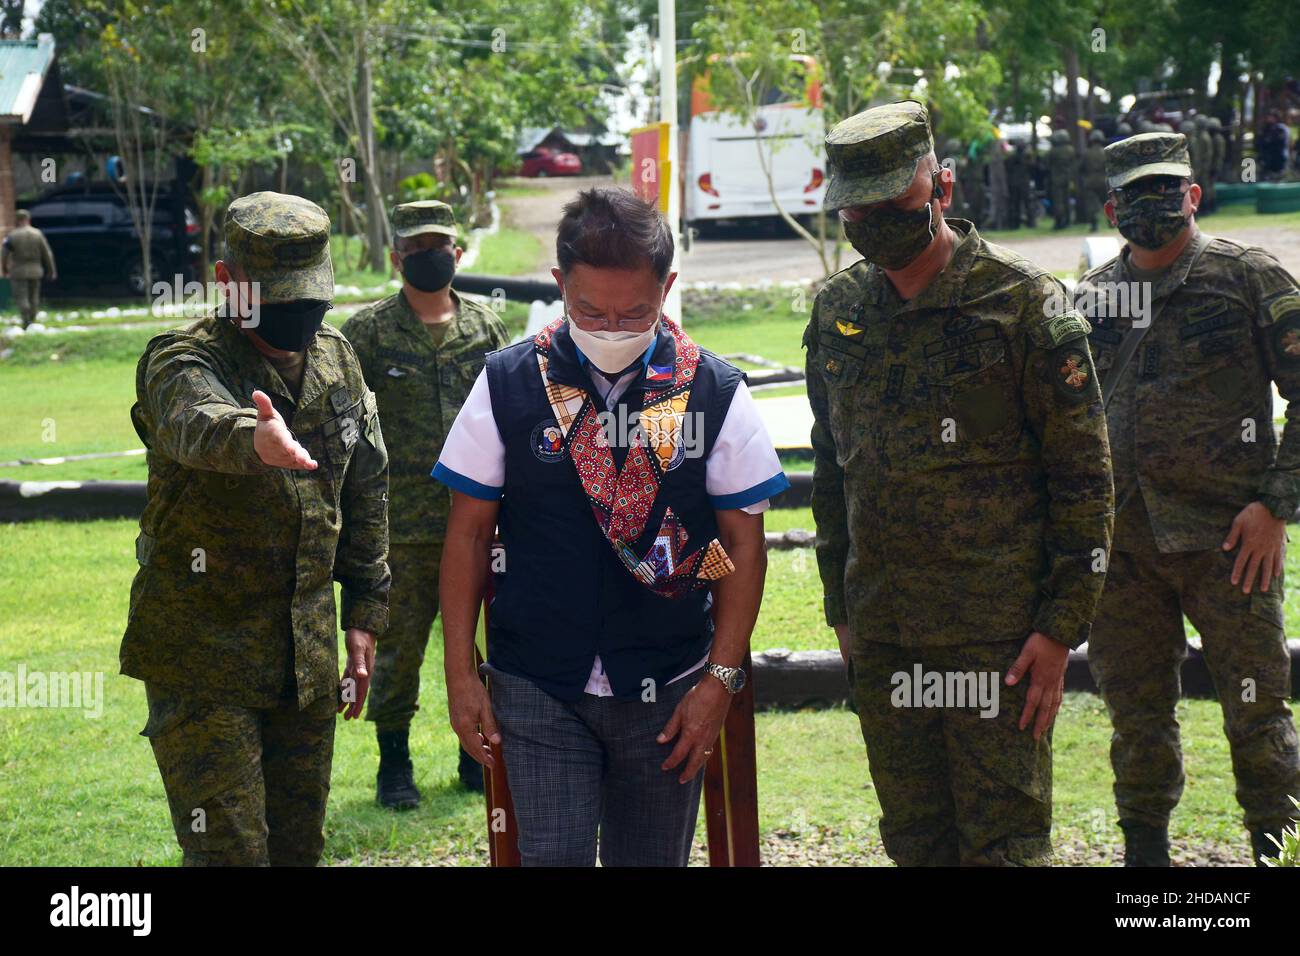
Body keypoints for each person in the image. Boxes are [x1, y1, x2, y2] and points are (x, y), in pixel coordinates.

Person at [434, 186, 787, 866]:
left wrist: (719, 681)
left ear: (668, 289)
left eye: (637, 314)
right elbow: (468, 535)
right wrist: (460, 674)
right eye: (590, 311)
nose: (613, 329)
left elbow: (743, 545)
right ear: (559, 283)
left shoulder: (710, 392)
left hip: (669, 688)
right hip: (539, 688)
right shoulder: (509, 384)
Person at [808, 100, 1115, 866]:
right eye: (858, 210)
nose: (875, 223)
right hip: (883, 634)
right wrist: (841, 607)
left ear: (941, 186)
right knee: (915, 841)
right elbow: (830, 471)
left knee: (1002, 847)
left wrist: (1058, 629)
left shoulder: (1024, 306)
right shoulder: (839, 312)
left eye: (895, 206)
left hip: (997, 642)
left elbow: (1084, 481)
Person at [120, 191, 391, 866]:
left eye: (308, 295)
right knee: (232, 855)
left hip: (304, 657)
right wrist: (255, 439)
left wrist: (364, 613)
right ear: (227, 284)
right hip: (202, 658)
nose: (297, 312)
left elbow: (366, 487)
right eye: (277, 295)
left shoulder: (338, 360)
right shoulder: (180, 359)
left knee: (298, 849)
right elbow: (194, 420)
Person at [1077, 132, 1300, 866]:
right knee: (1135, 717)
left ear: (1193, 196)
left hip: (1230, 544)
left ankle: (1278, 852)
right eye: (1133, 195)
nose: (1150, 207)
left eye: (1163, 192)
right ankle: (1147, 864)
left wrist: (1277, 505)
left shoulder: (1247, 277)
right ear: (1112, 208)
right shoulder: (1094, 300)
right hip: (1125, 553)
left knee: (1258, 714)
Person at [342, 200, 509, 807]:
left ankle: (478, 756)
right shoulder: (366, 332)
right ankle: (395, 763)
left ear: (458, 255)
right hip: (402, 528)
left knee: (489, 647)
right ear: (397, 258)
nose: (429, 257)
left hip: (482, 521)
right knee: (399, 652)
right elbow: (348, 427)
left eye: (439, 247)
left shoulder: (487, 328)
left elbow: (509, 415)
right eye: (417, 250)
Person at [1, 209, 57, 328]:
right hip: (35, 269)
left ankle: (26, 320)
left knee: (21, 296)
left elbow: (4, 254)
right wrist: (51, 270)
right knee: (34, 296)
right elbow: (47, 253)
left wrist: (4, 268)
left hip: (18, 270)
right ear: (28, 219)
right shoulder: (37, 234)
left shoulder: (12, 235)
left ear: (17, 220)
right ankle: (32, 319)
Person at [1079, 129, 1108, 232]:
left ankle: (1094, 224)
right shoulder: (1105, 152)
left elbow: (1081, 168)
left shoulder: (1087, 153)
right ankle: (1111, 222)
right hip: (1103, 181)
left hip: (1090, 182)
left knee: (1091, 204)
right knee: (1107, 202)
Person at [1048, 129, 1075, 229]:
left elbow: (1047, 164)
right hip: (1068, 178)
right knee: (1067, 200)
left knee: (1058, 201)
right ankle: (1068, 221)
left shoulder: (1053, 151)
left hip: (1056, 179)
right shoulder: (1070, 149)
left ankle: (1059, 221)